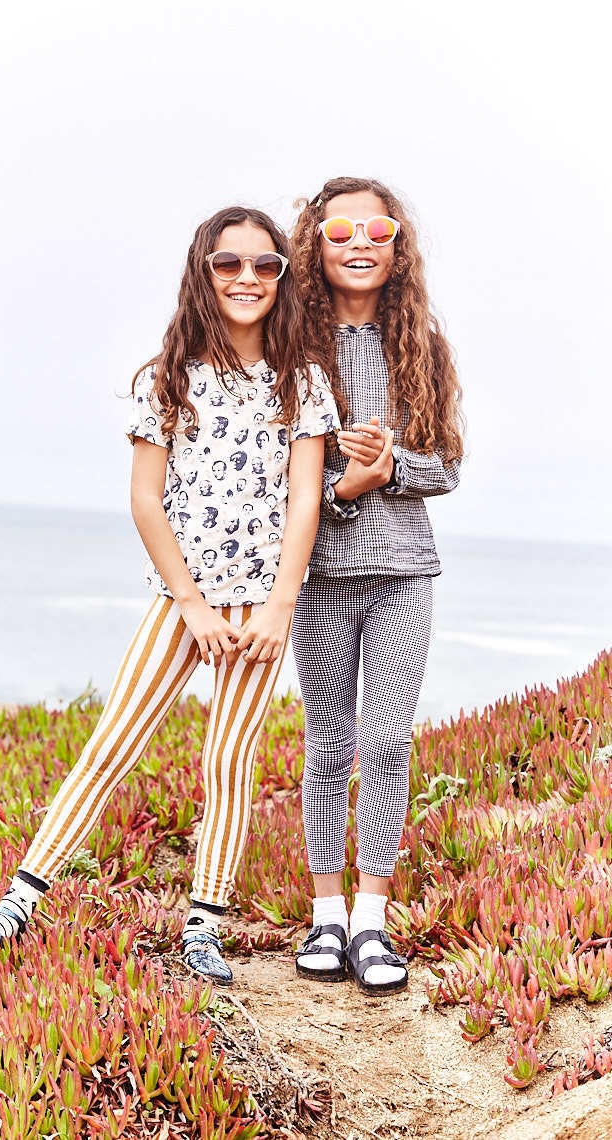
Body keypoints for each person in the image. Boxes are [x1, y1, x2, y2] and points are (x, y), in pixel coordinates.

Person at [0, 206, 338, 985]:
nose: (248, 279)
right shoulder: (167, 376)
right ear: (203, 271)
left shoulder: (305, 382)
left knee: (229, 762)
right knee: (109, 747)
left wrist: (278, 608)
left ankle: (205, 926)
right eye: (229, 264)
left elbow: (305, 500)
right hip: (182, 602)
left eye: (266, 266)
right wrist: (191, 604)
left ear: (283, 279)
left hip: (260, 610)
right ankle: (19, 903)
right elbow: (146, 501)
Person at [288, 177, 464, 994]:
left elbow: (448, 469)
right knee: (328, 743)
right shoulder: (292, 345)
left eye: (378, 228)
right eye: (341, 231)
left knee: (388, 741)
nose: (360, 242)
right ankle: (325, 914)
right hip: (319, 574)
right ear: (314, 246)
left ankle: (371, 920)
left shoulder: (420, 343)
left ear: (397, 248)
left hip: (404, 574)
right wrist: (340, 492)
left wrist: (391, 471)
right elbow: (281, 484)